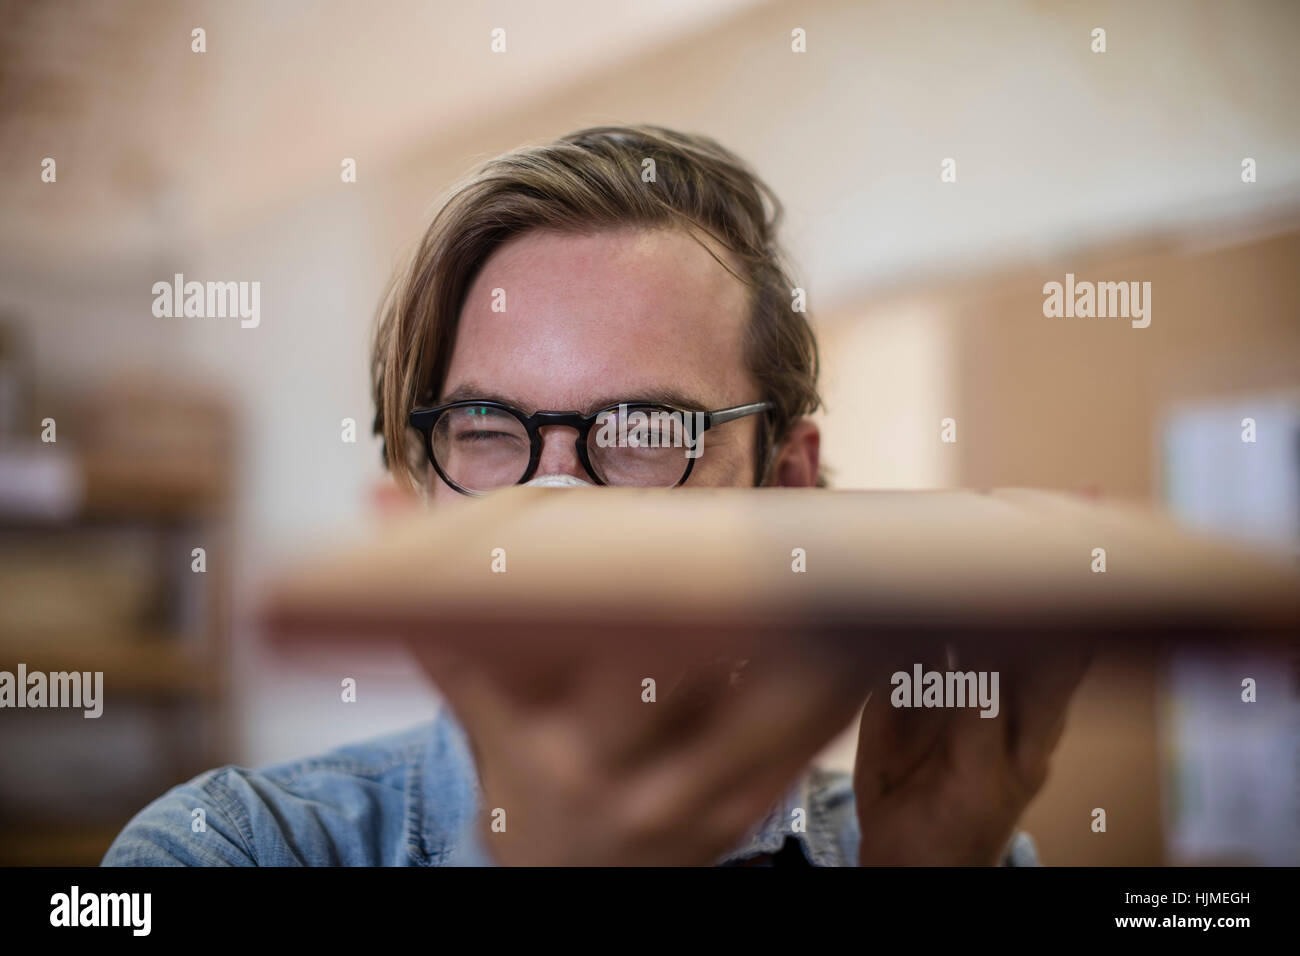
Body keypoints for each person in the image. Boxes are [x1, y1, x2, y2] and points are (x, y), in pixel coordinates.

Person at [103, 125, 1081, 867]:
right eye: (488, 431)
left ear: (784, 483)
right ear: (417, 494)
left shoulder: (937, 843)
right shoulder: (227, 846)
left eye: (647, 430)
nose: (552, 498)